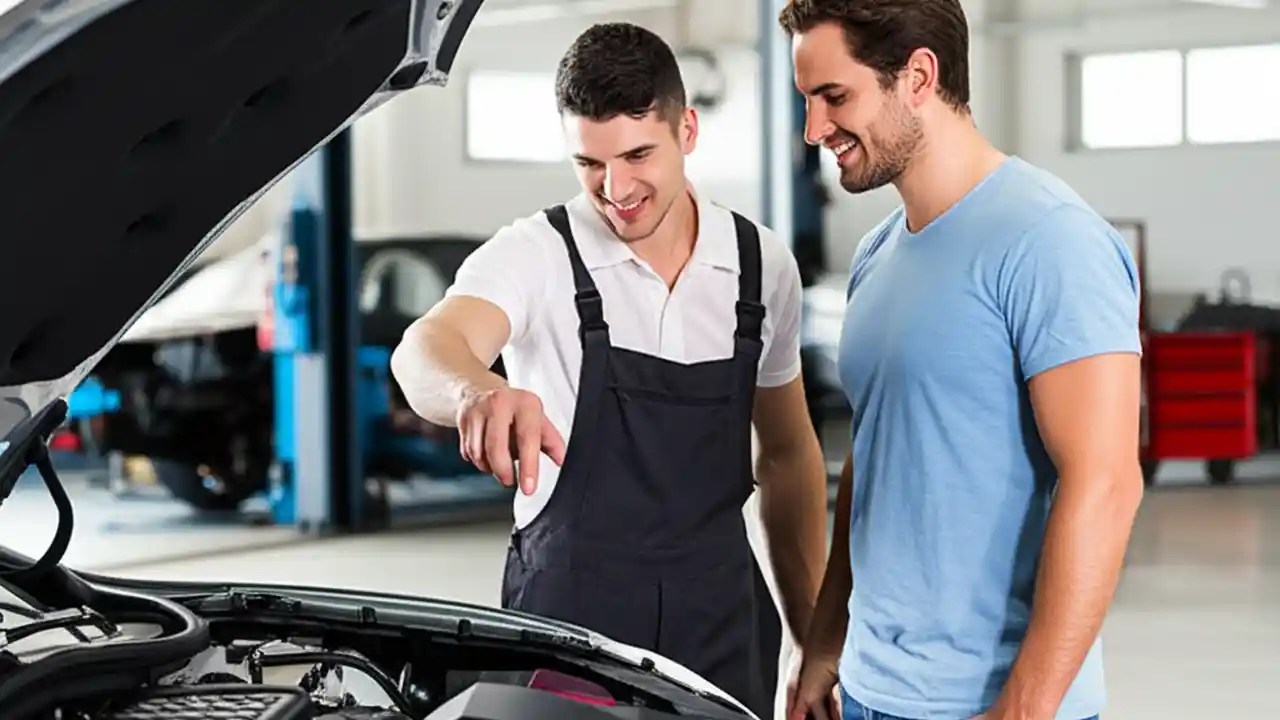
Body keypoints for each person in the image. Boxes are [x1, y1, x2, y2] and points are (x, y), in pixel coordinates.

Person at [390, 22, 829, 717]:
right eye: (589, 163)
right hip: (572, 621)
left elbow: (788, 451)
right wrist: (477, 389)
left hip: (721, 617)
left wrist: (810, 637)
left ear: (687, 130)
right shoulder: (538, 253)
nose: (615, 188)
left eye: (637, 154)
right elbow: (424, 348)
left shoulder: (759, 264)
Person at [776, 2, 1146, 720]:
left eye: (835, 97)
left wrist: (1024, 710)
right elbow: (878, 451)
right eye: (807, 101)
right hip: (871, 688)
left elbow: (1105, 485)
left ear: (918, 75)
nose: (814, 130)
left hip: (990, 702)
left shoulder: (1049, 240)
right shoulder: (877, 253)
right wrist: (826, 639)